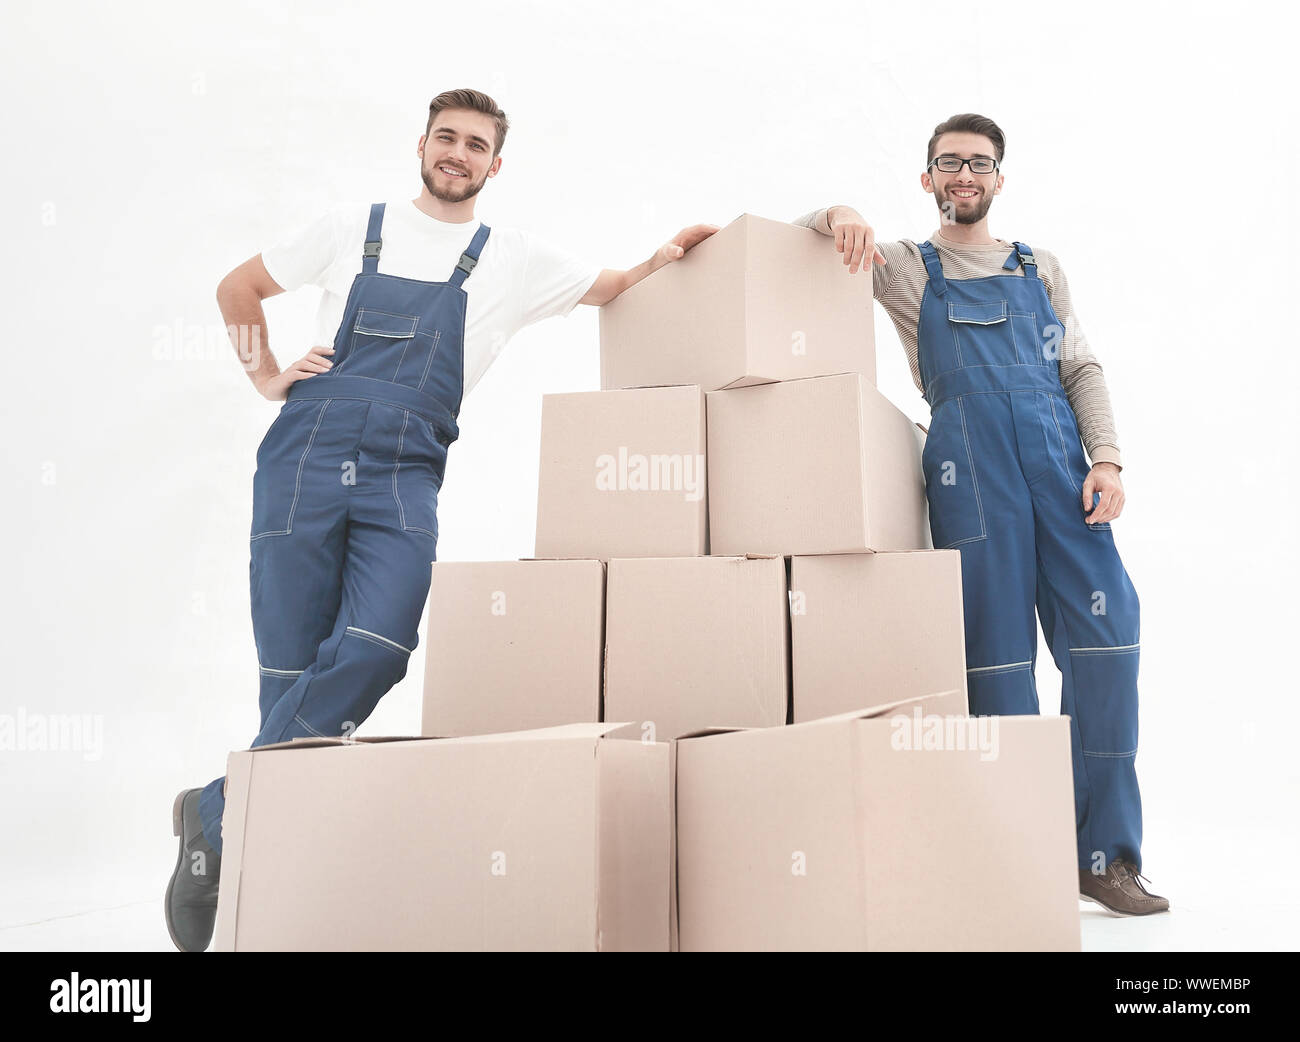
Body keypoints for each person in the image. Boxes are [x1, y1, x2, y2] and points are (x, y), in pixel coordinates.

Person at [165, 88, 718, 952]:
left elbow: (613, 288)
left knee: (380, 645)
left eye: (476, 145)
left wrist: (666, 255)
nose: (457, 153)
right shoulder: (354, 225)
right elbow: (238, 287)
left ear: (497, 165)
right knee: (290, 670)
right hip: (305, 453)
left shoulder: (516, 258)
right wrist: (266, 376)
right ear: (420, 144)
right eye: (446, 138)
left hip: (406, 470)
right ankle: (261, 899)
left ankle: (217, 807)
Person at [795, 112, 1168, 917]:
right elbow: (793, 242)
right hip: (972, 470)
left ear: (1000, 177)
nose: (965, 175)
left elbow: (1082, 366)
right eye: (948, 163)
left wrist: (1105, 457)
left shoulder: (1042, 268)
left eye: (980, 163)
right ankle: (1021, 860)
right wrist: (838, 213)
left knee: (1108, 637)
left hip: (1062, 467)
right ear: (926, 178)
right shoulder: (902, 266)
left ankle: (1105, 858)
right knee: (996, 663)